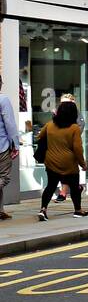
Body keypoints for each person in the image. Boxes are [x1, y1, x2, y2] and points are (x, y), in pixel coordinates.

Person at [36, 100, 88, 221]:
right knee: (75, 187)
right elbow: (77, 148)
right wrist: (83, 164)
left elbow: (39, 136)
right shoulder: (74, 128)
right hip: (69, 163)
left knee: (50, 186)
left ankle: (43, 209)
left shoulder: (50, 125)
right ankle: (78, 210)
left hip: (51, 161)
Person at [0, 77, 19, 221]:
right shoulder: (3, 99)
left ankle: (0, 211)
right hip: (1, 146)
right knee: (4, 177)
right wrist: (16, 144)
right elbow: (10, 124)